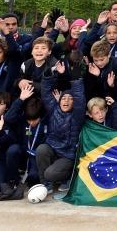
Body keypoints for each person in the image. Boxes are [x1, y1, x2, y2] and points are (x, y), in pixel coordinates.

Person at [36, 61, 85, 195]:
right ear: (59, 100)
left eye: (70, 99)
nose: (66, 101)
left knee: (50, 173)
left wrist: (76, 78)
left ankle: (68, 177)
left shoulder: (77, 114)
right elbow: (46, 93)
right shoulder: (53, 108)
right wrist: (47, 75)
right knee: (41, 149)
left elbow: (79, 96)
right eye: (64, 98)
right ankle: (46, 185)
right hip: (52, 149)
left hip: (68, 155)